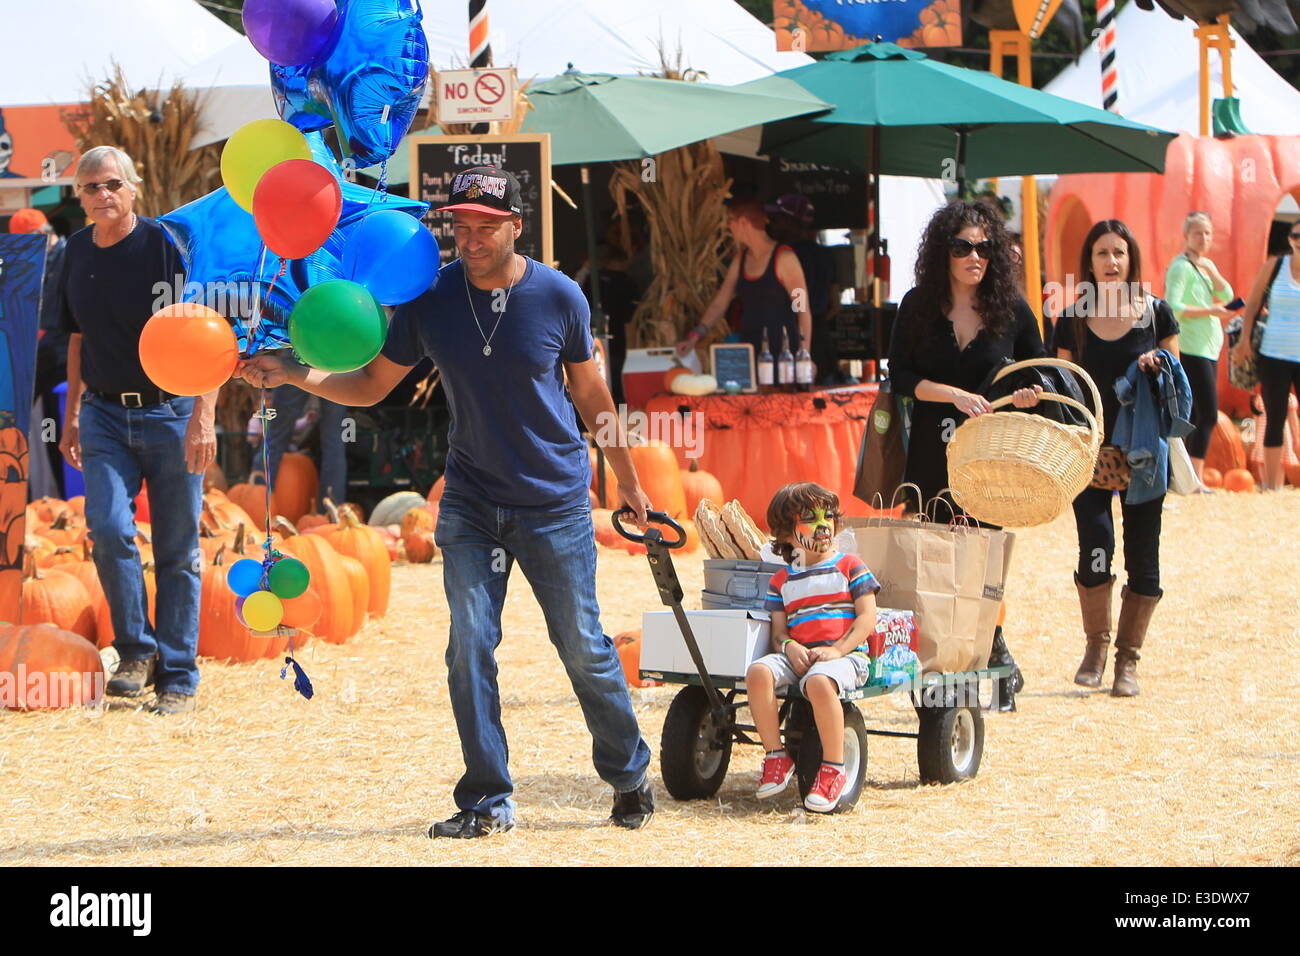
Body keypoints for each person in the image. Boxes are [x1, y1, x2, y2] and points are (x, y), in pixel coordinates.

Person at [237, 166, 657, 838]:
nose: (469, 237)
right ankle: (487, 800)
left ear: (517, 224)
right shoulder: (431, 299)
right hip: (469, 501)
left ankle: (629, 772)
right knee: (468, 646)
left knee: (580, 643)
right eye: (460, 224)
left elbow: (593, 397)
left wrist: (628, 480)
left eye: (485, 225)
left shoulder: (559, 297)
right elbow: (373, 384)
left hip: (554, 502)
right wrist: (294, 369)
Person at [57, 146, 216, 715]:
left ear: (133, 188)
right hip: (102, 415)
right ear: (80, 198)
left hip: (172, 413)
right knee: (107, 528)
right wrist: (73, 411)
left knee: (177, 551)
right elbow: (74, 338)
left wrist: (205, 414)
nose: (103, 195)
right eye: (91, 188)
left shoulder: (165, 247)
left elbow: (208, 330)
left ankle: (178, 675)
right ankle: (134, 652)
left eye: (111, 185)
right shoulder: (74, 253)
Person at [887, 201, 1043, 711]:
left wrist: (1027, 395)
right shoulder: (917, 306)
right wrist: (952, 394)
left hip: (989, 456)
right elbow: (902, 378)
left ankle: (990, 656)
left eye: (984, 247)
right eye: (962, 247)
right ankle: (943, 678)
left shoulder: (1013, 310)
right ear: (944, 252)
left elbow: (1037, 374)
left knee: (980, 563)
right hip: (933, 451)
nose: (974, 256)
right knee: (934, 563)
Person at [1055, 219, 1180, 697]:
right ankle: (1096, 646)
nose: (1111, 261)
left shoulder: (1157, 315)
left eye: (1119, 253)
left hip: (1144, 451)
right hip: (1088, 451)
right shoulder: (1070, 318)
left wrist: (1158, 365)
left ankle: (1128, 660)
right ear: (1089, 261)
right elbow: (1059, 383)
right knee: (1095, 548)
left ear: (1131, 260)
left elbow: (1177, 383)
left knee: (1144, 558)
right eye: (1102, 253)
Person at [745, 482, 878, 813]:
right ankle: (776, 756)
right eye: (810, 518)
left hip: (846, 657)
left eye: (828, 516)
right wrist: (788, 647)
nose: (823, 525)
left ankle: (833, 768)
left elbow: (867, 619)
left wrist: (838, 649)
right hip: (801, 656)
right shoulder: (782, 581)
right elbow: (778, 633)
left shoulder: (850, 566)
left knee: (819, 681)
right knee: (758, 671)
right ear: (786, 531)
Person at [675, 198, 812, 364]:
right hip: (750, 349)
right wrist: (696, 335)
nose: (728, 226)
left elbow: (802, 309)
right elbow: (720, 302)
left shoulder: (784, 258)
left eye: (729, 221)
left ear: (743, 222)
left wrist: (805, 354)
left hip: (783, 353)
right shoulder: (740, 260)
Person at [1165, 212, 1235, 489]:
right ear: (1186, 235)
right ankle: (1192, 477)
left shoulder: (1203, 265)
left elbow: (1228, 296)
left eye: (1207, 233)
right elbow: (1173, 306)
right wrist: (1210, 310)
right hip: (1191, 347)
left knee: (1196, 413)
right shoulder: (1180, 267)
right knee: (1207, 413)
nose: (1203, 238)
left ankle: (1189, 476)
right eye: (1197, 233)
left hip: (1209, 347)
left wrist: (1210, 269)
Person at [9, 207, 69, 497]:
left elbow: (60, 322)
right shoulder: (41, 263)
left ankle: (51, 499)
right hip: (42, 360)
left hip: (60, 360)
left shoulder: (68, 258)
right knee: (45, 433)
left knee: (52, 433)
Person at [1236, 221, 1300, 491]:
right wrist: (1244, 341)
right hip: (1273, 354)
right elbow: (1251, 306)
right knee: (1274, 417)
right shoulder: (1275, 266)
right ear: (1289, 238)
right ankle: (1272, 486)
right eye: (1296, 234)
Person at [766, 193, 842, 384]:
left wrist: (802, 341)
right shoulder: (826, 256)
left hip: (794, 334)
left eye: (777, 219)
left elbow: (800, 305)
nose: (771, 224)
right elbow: (836, 303)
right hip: (820, 332)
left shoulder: (786, 255)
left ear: (788, 222)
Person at [264, 385, 348, 509]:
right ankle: (331, 513)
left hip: (302, 365)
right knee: (334, 442)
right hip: (338, 368)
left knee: (276, 438)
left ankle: (263, 504)